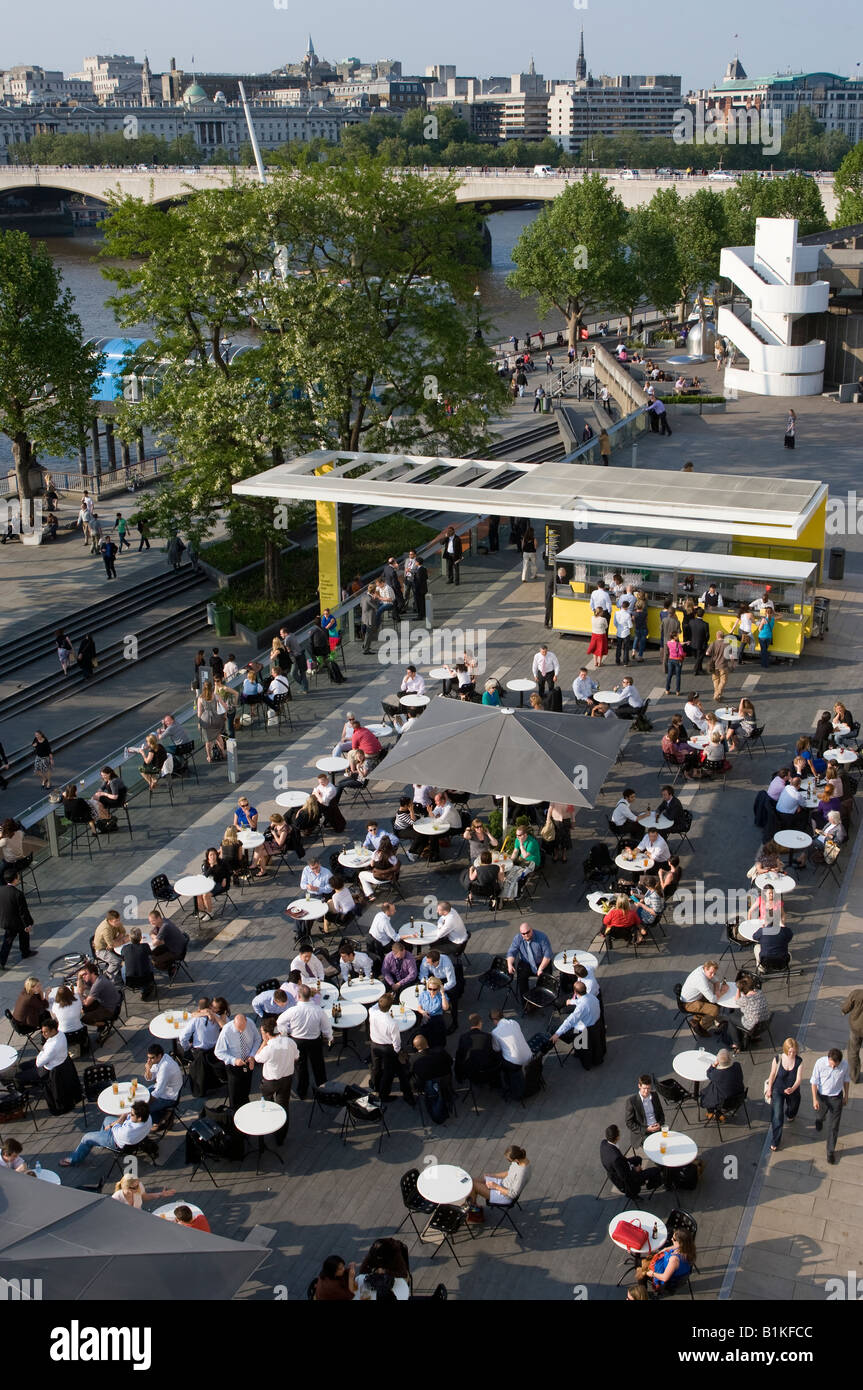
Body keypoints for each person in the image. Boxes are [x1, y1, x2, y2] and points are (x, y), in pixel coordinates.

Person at [277, 985, 332, 1099]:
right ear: (309, 996)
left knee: (301, 1068)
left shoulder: (293, 1010)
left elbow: (280, 1022)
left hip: (298, 1042)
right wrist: (329, 1037)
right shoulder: (318, 1010)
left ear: (298, 996)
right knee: (318, 1066)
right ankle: (323, 1091)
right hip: (314, 1041)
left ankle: (302, 1092)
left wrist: (286, 1032)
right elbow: (326, 1027)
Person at [254, 1017, 297, 1142]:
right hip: (287, 1079)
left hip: (270, 1082)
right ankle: (280, 1137)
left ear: (267, 1034)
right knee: (283, 1107)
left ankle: (268, 1126)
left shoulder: (269, 1048)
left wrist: (264, 1042)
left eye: (262, 1032)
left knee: (266, 1103)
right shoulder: (289, 1042)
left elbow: (257, 1058)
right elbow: (296, 1056)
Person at [368, 993, 414, 1105]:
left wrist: (384, 998)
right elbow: (396, 1042)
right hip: (387, 1048)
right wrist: (398, 1053)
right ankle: (383, 1095)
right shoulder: (392, 1023)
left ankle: (375, 1086)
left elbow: (374, 1006)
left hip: (374, 1045)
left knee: (376, 1067)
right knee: (388, 1073)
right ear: (390, 1007)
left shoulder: (373, 1012)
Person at [465, 1144, 530, 1223]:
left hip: (505, 1195)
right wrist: (492, 1175)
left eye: (509, 1160)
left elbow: (513, 1194)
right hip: (502, 1184)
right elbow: (509, 1173)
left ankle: (474, 1213)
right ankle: (474, 1208)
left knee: (473, 1185)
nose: (510, 1162)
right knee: (472, 1181)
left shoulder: (522, 1173)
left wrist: (495, 1186)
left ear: (516, 1159)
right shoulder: (520, 1161)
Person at [600, 1124, 663, 1198]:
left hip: (621, 1166)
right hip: (628, 1179)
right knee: (655, 1170)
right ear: (617, 1137)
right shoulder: (616, 1158)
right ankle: (649, 1185)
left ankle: (642, 1180)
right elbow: (625, 1176)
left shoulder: (604, 1143)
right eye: (619, 1132)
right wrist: (635, 1170)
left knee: (638, 1159)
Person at [810, 1047, 850, 1163]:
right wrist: (814, 1099)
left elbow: (846, 1080)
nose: (833, 1067)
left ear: (840, 1062)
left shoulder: (845, 1065)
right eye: (831, 1064)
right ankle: (819, 1119)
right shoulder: (820, 1063)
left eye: (835, 1066)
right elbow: (814, 1082)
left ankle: (830, 1151)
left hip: (836, 1098)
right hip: (822, 1097)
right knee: (820, 1115)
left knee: (834, 1126)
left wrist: (846, 1096)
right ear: (828, 1059)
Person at [765, 1038, 804, 1151]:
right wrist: (769, 1089)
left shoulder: (799, 1061)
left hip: (793, 1089)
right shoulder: (778, 1058)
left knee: (793, 1108)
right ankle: (775, 1141)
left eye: (794, 1051)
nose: (792, 1054)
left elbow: (799, 1079)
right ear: (786, 1049)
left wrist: (792, 1089)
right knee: (777, 1115)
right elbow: (772, 1074)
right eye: (790, 1051)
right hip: (778, 1089)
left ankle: (790, 1114)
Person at [716, 974, 769, 1052]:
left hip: (752, 1026)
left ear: (743, 990)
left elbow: (737, 1000)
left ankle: (736, 1044)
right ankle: (756, 1036)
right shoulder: (759, 992)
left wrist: (738, 989)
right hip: (765, 1021)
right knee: (738, 1012)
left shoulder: (746, 1000)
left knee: (730, 1018)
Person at [14, 1017, 67, 1089]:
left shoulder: (52, 1047)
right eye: (42, 1032)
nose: (43, 1034)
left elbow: (39, 1063)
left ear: (53, 1030)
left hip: (48, 1070)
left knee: (17, 1077)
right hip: (57, 1062)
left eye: (45, 1032)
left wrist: (42, 1052)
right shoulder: (60, 1033)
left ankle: (23, 1090)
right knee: (22, 1066)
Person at [0, 868, 37, 969]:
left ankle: (1, 961)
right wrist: (28, 924)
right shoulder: (18, 894)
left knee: (7, 941)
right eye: (18, 876)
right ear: (15, 879)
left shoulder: (1, 890)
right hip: (18, 922)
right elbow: (23, 912)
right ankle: (25, 952)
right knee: (24, 935)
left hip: (7, 921)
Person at [506, 922, 552, 999]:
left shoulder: (542, 937)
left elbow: (547, 956)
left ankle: (544, 998)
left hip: (541, 963)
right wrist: (510, 964)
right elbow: (511, 952)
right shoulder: (518, 938)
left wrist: (540, 968)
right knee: (521, 981)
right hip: (526, 963)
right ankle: (526, 1002)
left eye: (528, 932)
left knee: (546, 982)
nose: (526, 935)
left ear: (531, 930)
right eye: (523, 934)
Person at [680, 960, 725, 1033]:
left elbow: (716, 981)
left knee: (715, 1002)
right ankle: (700, 1027)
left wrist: (717, 991)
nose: (713, 975)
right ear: (706, 968)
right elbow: (713, 999)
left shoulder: (702, 968)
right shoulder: (701, 980)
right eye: (711, 973)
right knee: (715, 1010)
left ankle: (697, 1018)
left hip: (694, 997)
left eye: (714, 973)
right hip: (689, 1003)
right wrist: (722, 992)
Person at [455, 1014, 501, 1085]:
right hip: (486, 1070)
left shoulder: (463, 1037)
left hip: (470, 1071)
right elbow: (493, 1052)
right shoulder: (488, 1036)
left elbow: (459, 1055)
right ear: (480, 1023)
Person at [144, 1043, 184, 1121]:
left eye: (152, 1058)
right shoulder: (160, 1059)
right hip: (162, 1089)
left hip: (169, 1096)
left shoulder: (165, 1067)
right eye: (148, 1058)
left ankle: (160, 1120)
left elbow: (158, 1092)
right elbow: (149, 1078)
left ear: (159, 1056)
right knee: (141, 1097)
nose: (149, 1061)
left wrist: (144, 1104)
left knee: (143, 1111)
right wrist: (148, 1069)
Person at [701, 1049, 745, 1118]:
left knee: (707, 1092)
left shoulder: (716, 1074)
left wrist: (713, 1065)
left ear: (718, 1061)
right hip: (739, 1097)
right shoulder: (737, 1065)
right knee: (714, 1086)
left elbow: (708, 1073)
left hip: (725, 1103)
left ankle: (711, 1112)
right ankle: (717, 1113)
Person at [625, 1075, 666, 1148]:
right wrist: (646, 1129)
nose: (646, 1091)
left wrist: (659, 1124)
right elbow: (629, 1123)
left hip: (657, 1128)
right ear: (639, 1086)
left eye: (648, 1088)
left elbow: (661, 1113)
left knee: (667, 1143)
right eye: (644, 1088)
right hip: (643, 1133)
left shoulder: (654, 1095)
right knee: (656, 1147)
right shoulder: (632, 1101)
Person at [840, 987, 863, 1085]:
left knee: (853, 1052)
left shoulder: (857, 994)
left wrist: (844, 1011)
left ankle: (854, 1076)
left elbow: (845, 1008)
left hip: (856, 1028)